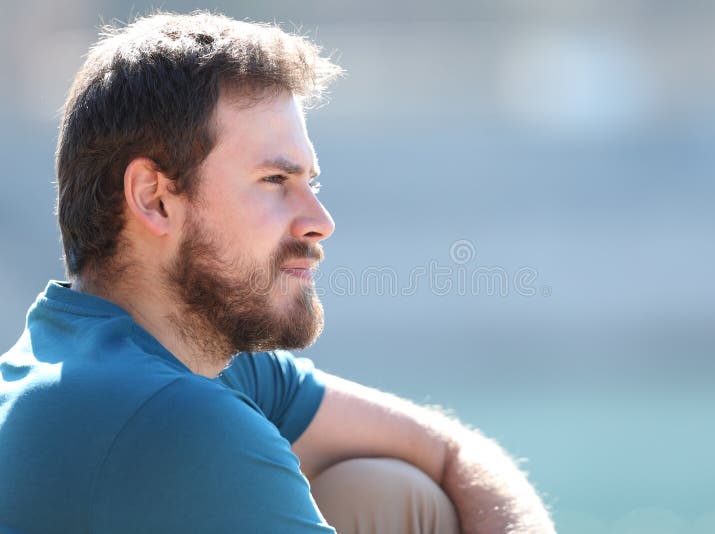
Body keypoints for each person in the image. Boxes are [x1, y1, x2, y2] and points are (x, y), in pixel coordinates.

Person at [0, 11, 555, 534]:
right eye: (274, 181)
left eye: (310, 184)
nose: (320, 222)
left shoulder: (130, 359)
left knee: (386, 490)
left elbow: (452, 449)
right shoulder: (180, 420)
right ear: (155, 199)